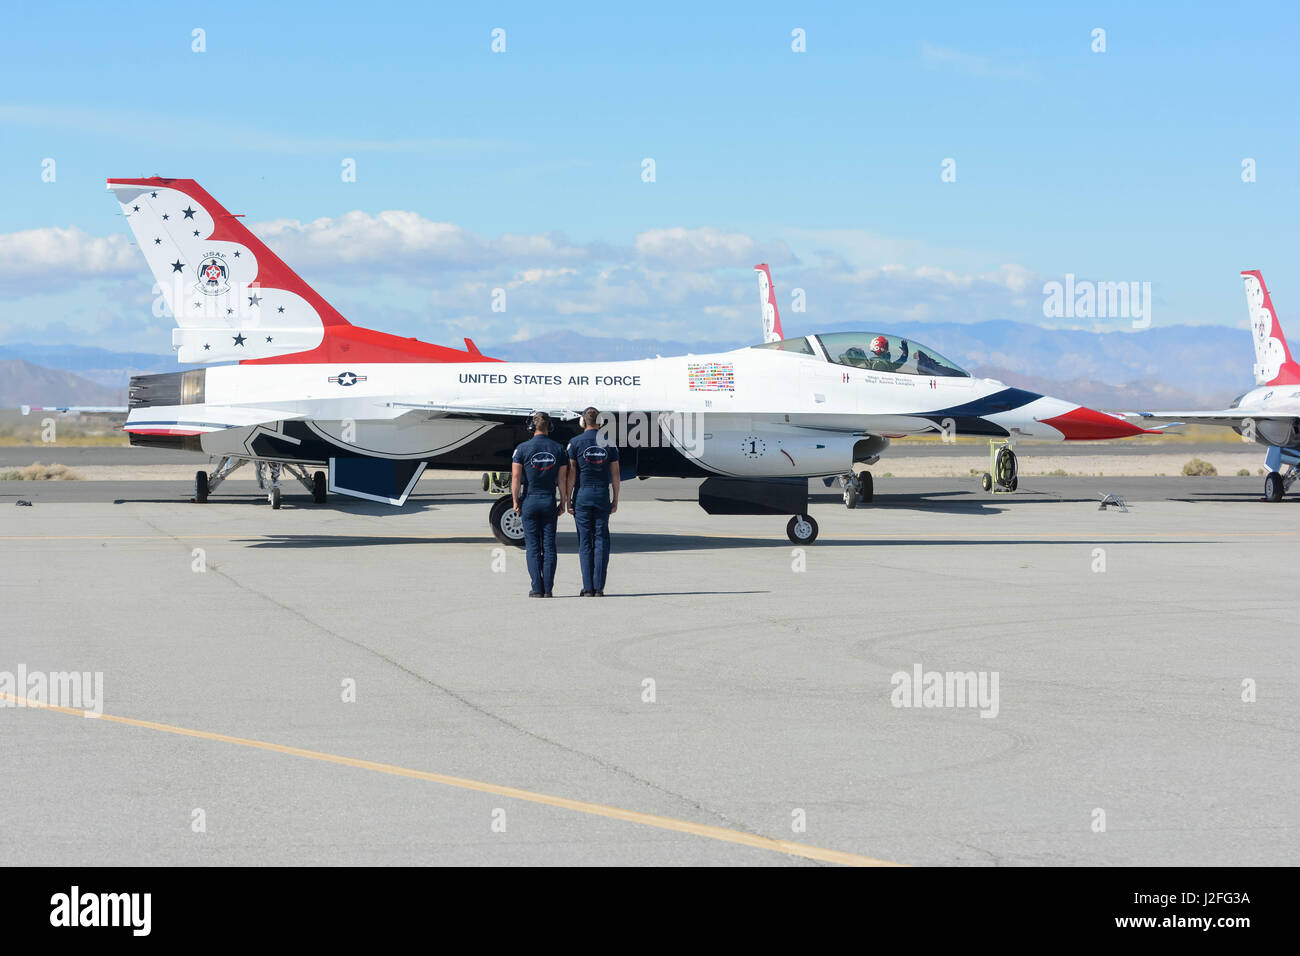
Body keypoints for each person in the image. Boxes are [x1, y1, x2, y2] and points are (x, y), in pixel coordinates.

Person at [511, 412, 568, 597]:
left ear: (531, 427)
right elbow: (562, 479)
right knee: (549, 546)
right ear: (549, 427)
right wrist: (563, 501)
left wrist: (515, 500)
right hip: (548, 500)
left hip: (530, 500)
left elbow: (516, 478)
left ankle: (537, 588)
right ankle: (548, 589)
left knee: (533, 547)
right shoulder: (559, 449)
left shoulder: (522, 449)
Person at [565, 406, 620, 596]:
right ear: (601, 423)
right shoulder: (609, 444)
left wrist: (567, 499)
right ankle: (599, 587)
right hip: (602, 495)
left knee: (585, 542)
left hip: (582, 495)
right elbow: (615, 475)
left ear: (582, 423)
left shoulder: (574, 443)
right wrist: (615, 499)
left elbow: (571, 475)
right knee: (601, 540)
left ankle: (587, 587)